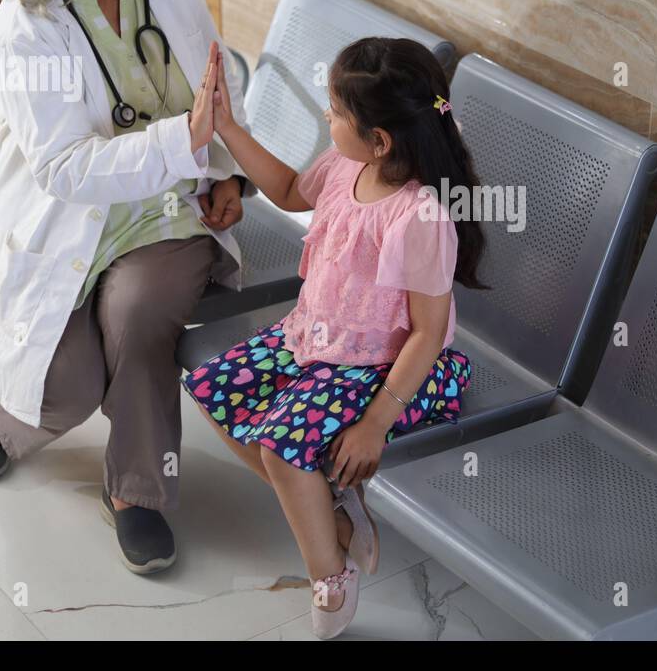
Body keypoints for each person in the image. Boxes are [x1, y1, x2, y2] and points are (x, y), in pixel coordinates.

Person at [0, 0, 254, 575]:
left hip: (169, 212)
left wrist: (229, 174)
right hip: (72, 217)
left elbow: (218, 92)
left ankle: (138, 494)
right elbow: (61, 168)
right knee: (66, 385)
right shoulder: (29, 23)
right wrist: (177, 143)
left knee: (141, 315)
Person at [181, 36, 487, 637]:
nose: (328, 116)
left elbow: (426, 334)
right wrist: (227, 127)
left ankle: (331, 572)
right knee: (213, 387)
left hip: (386, 367)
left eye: (338, 111)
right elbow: (294, 191)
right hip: (315, 339)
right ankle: (336, 511)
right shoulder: (350, 162)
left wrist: (374, 422)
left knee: (280, 446)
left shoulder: (419, 215)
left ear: (381, 139)